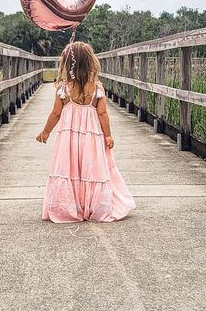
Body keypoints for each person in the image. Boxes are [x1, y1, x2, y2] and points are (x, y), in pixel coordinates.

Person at [36, 41, 136, 223]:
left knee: (71, 168)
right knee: (91, 169)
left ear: (67, 64)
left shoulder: (64, 89)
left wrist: (46, 131)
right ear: (90, 62)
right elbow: (103, 113)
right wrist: (107, 135)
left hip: (69, 139)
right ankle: (93, 206)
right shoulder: (97, 88)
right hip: (92, 138)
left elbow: (56, 113)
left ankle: (71, 206)